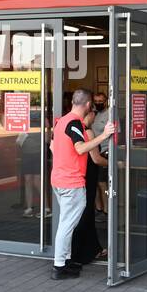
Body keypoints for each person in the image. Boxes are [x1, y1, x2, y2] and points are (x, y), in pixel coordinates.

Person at [49, 88, 115, 279]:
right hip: (71, 182)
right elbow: (79, 149)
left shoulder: (61, 121)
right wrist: (103, 136)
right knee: (67, 224)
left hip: (59, 179)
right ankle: (59, 266)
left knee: (67, 222)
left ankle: (66, 262)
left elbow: (53, 147)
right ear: (87, 105)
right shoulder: (75, 123)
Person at [71, 105, 110, 265]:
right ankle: (82, 252)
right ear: (91, 114)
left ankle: (93, 248)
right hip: (89, 175)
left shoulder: (75, 129)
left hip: (81, 174)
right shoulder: (88, 131)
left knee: (85, 213)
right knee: (86, 213)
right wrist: (113, 164)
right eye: (94, 113)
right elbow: (96, 158)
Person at [88, 91, 110, 218]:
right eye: (96, 102)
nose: (98, 104)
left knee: (102, 183)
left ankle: (107, 209)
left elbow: (117, 134)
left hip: (105, 151)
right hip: (93, 151)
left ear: (106, 101)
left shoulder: (110, 114)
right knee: (94, 182)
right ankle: (98, 208)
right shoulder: (92, 114)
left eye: (101, 102)